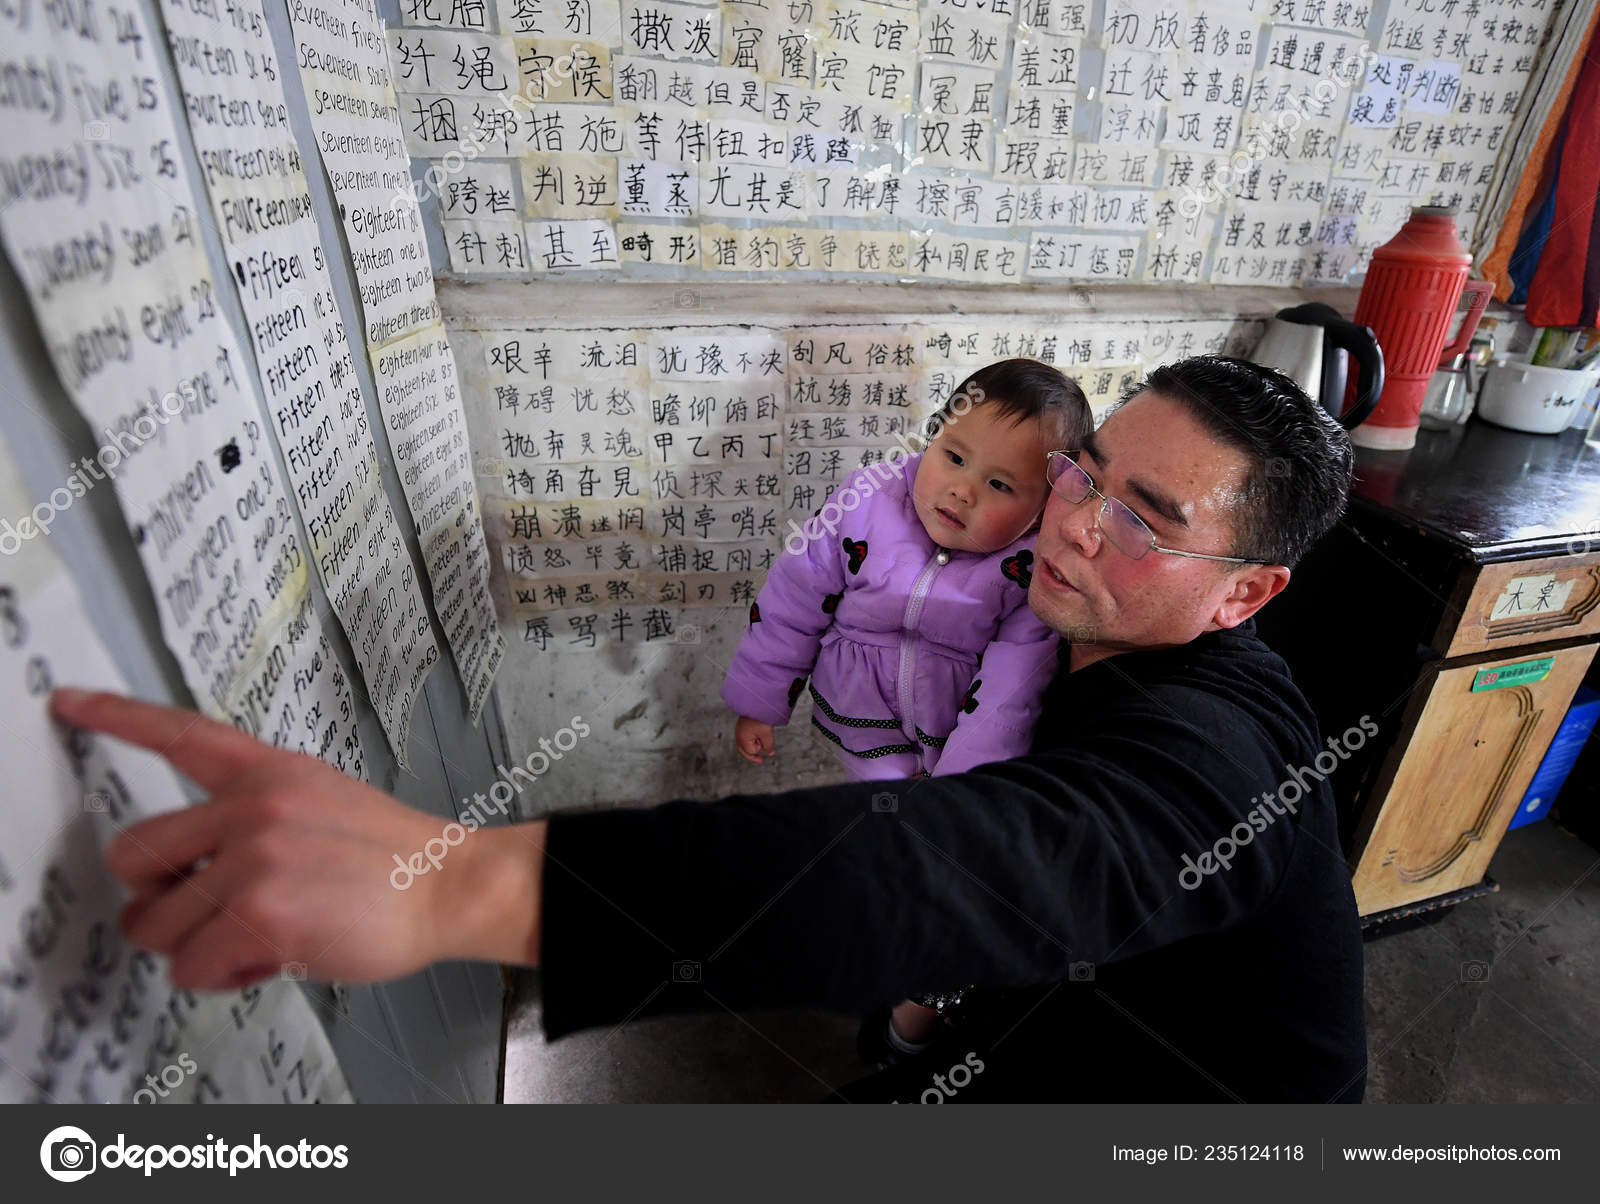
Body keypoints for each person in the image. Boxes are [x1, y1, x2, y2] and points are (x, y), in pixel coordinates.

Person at [48, 355, 1368, 1102]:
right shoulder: (1039, 614)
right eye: (1085, 472)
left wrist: (461, 886)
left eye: (1148, 517)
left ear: (1248, 592)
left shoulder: (1220, 748)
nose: (1078, 518)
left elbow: (987, 860)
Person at [723, 359, 1091, 1057]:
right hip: (863, 719)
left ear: (1043, 508)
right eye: (952, 455)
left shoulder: (1028, 567)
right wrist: (759, 701)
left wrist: (962, 791)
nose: (960, 489)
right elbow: (792, 601)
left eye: (1001, 485)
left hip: (955, 732)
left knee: (932, 853)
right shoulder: (865, 499)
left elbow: (1012, 688)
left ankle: (903, 992)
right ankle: (890, 967)